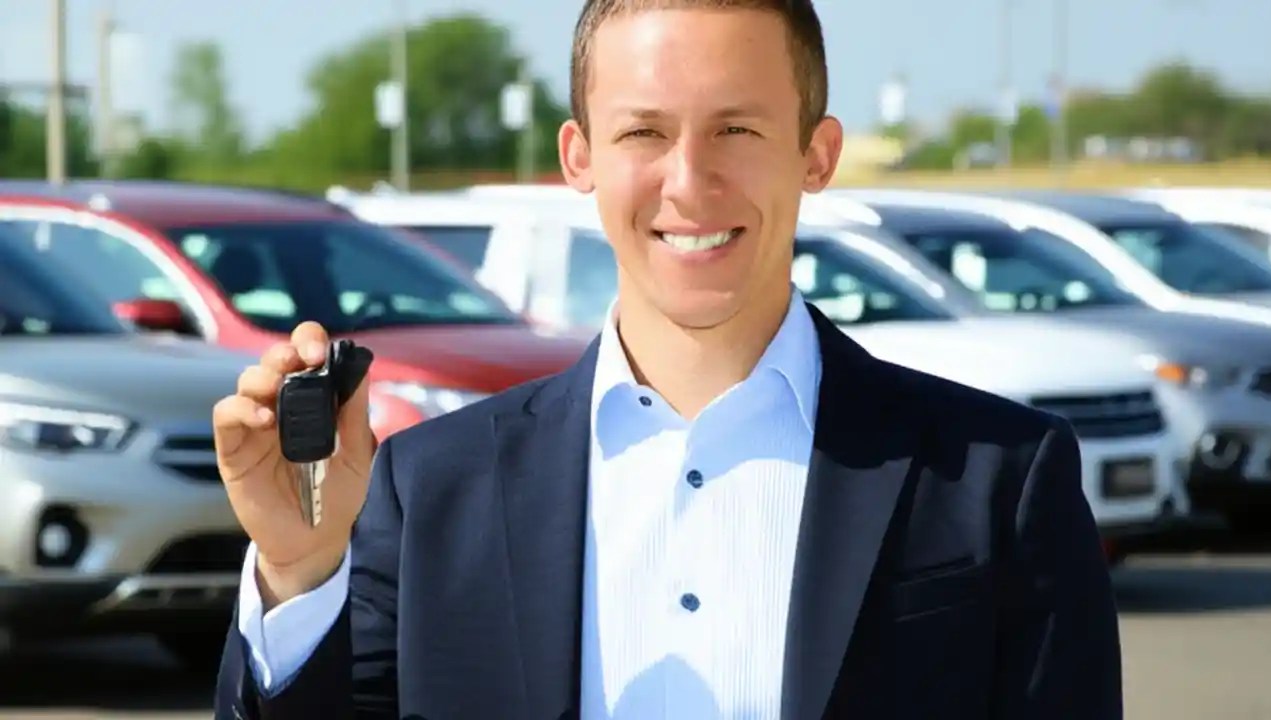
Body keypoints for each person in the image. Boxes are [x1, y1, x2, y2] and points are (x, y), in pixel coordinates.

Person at [211, 1, 1124, 718]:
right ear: (580, 157)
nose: (689, 183)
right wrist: (299, 575)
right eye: (645, 132)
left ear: (817, 153)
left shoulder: (997, 477)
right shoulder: (428, 490)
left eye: (736, 129)